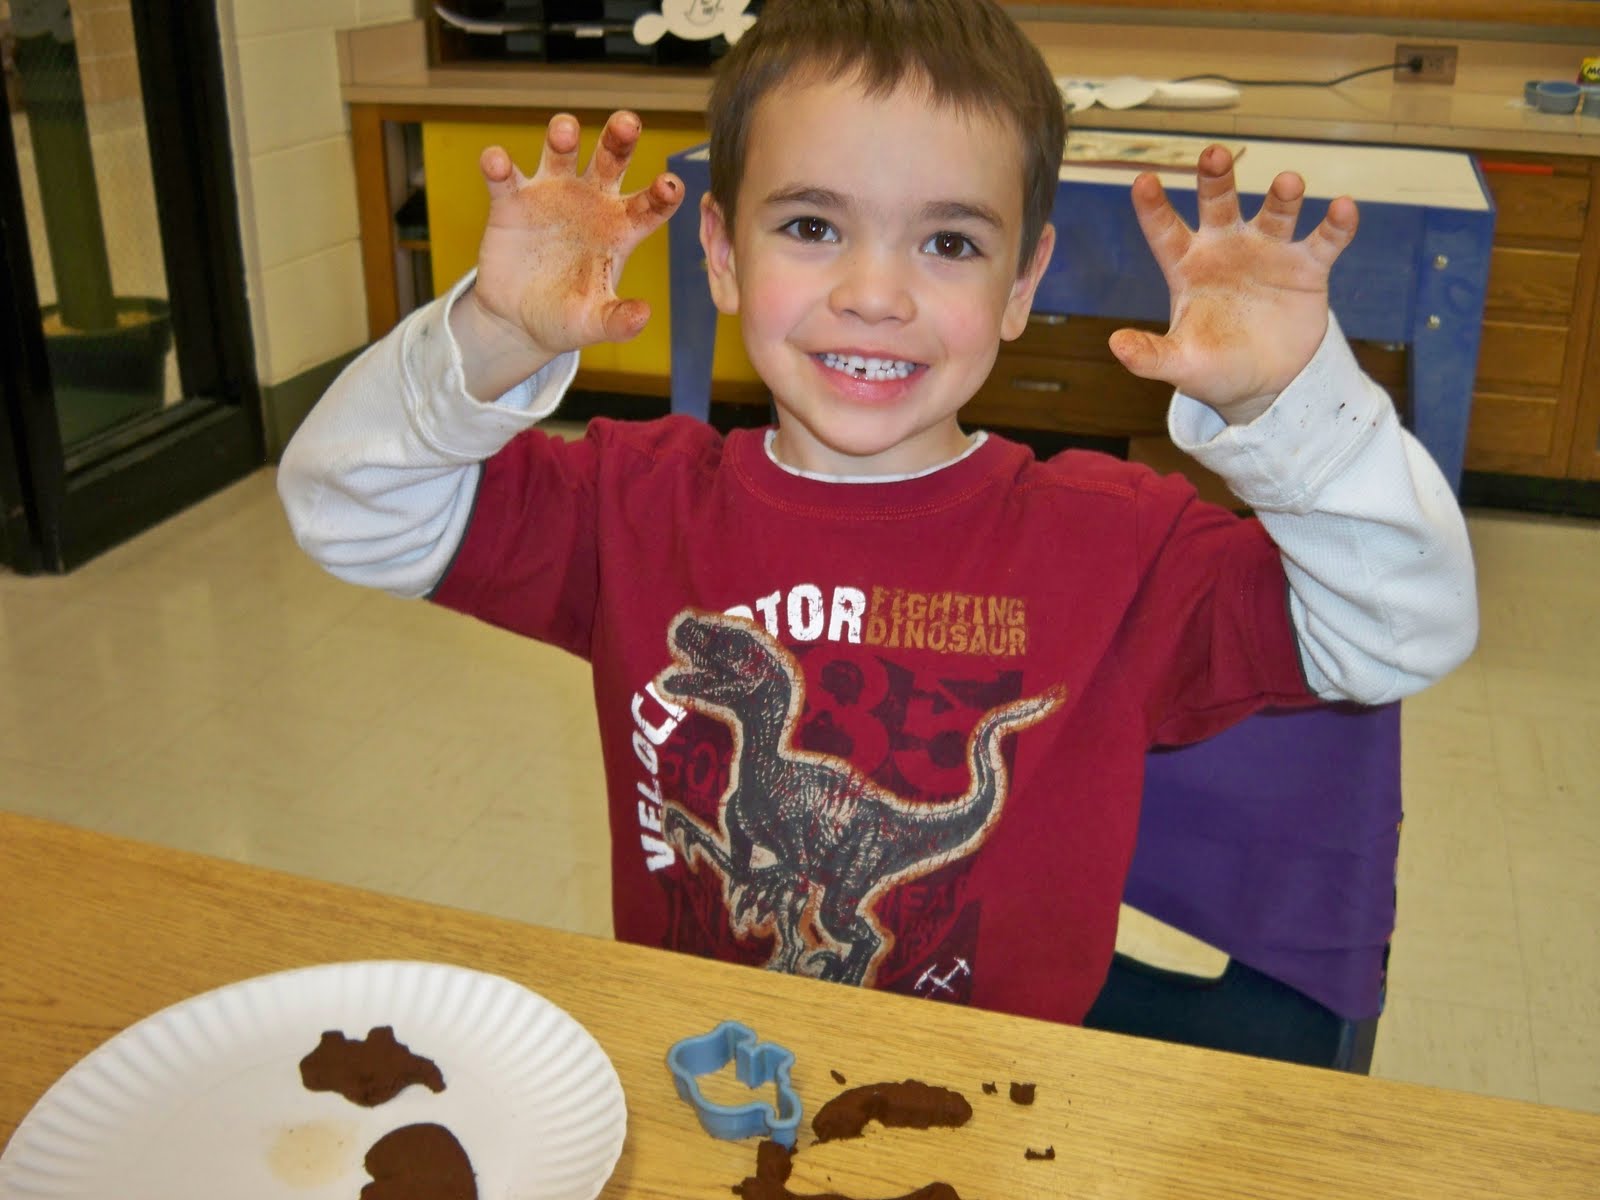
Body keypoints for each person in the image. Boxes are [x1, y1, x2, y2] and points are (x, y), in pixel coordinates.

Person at [279, 0, 1476, 1025]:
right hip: (705, 1078)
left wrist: (1290, 401)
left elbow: (1403, 631)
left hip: (1006, 1116)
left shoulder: (1122, 544)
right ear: (720, 253)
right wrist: (492, 335)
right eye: (811, 227)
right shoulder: (631, 502)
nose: (873, 293)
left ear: (1021, 286)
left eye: (948, 242)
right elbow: (347, 506)